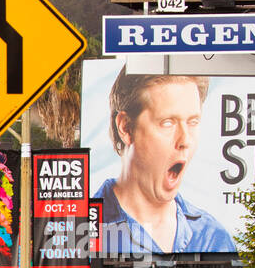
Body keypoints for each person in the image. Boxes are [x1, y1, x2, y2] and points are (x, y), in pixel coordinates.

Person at [94, 69, 236, 255]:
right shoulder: (82, 231)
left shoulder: (213, 238)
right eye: (168, 122)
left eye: (193, 122)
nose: (185, 140)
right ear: (126, 127)